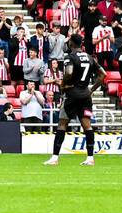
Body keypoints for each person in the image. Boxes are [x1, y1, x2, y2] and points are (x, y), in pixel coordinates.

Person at [43, 34, 104, 166]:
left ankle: (54, 158)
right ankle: (90, 158)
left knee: (62, 124)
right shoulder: (89, 57)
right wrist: (91, 90)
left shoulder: (69, 57)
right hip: (85, 96)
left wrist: (64, 85)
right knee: (87, 126)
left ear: (71, 43)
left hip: (72, 95)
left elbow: (69, 72)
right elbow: (103, 74)